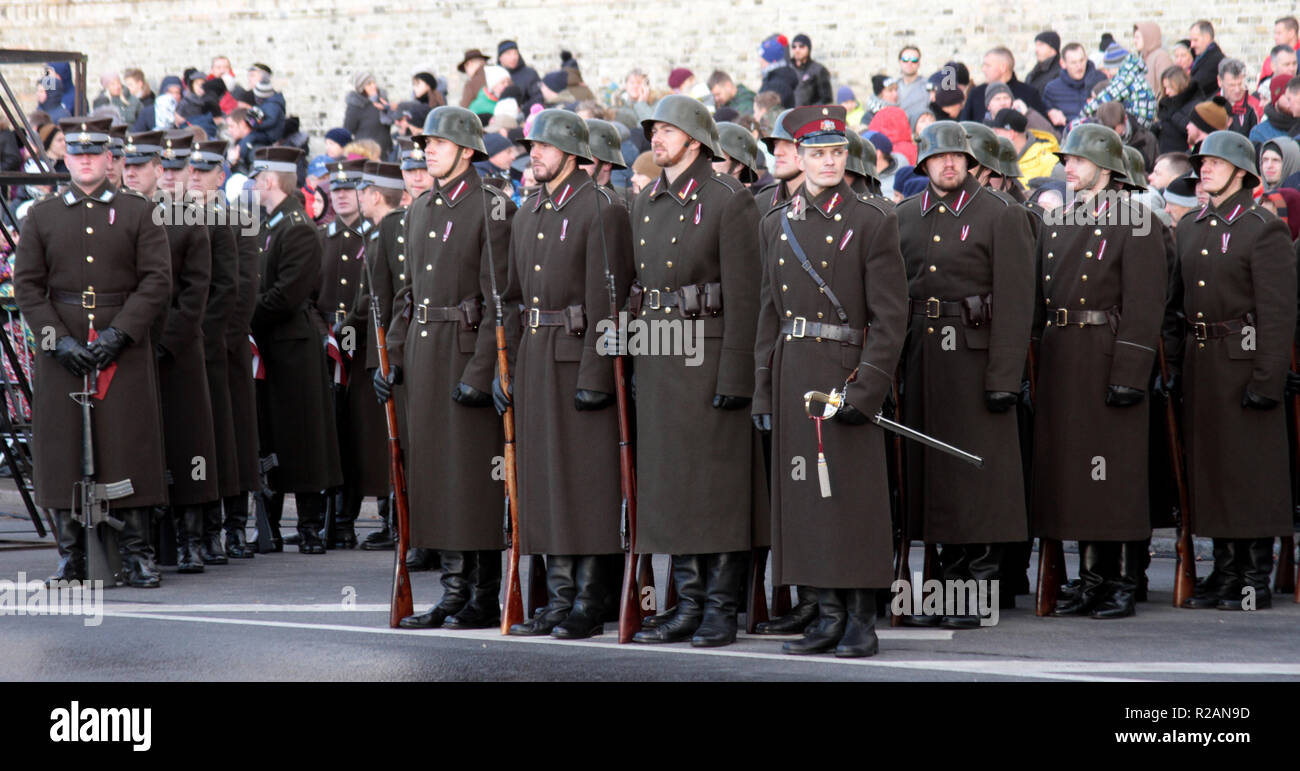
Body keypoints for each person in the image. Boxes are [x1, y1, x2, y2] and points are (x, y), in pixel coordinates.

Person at [751, 105, 908, 655]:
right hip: (795, 373)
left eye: (837, 152)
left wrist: (868, 389)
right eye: (816, 154)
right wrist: (763, 386)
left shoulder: (873, 217)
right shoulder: (777, 221)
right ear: (798, 156)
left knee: (852, 499)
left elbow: (891, 318)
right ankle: (825, 613)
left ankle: (860, 619)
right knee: (805, 500)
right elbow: (769, 314)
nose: (827, 162)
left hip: (847, 373)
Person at [626, 96, 763, 647]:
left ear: (697, 140)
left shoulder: (730, 200)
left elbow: (747, 298)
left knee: (717, 491)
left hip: (709, 359)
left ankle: (720, 608)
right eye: (654, 130)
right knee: (671, 489)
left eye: (668, 130)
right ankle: (686, 601)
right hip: (660, 359)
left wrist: (736, 376)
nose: (657, 138)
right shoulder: (647, 202)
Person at [14, 117, 172, 586]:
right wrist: (57, 341)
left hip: (121, 345)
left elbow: (157, 280)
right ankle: (71, 554)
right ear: (65, 158)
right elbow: (27, 287)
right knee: (61, 448)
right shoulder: (41, 216)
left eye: (93, 153)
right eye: (76, 153)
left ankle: (137, 553)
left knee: (129, 444)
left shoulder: (138, 211)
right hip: (61, 342)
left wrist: (119, 335)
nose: (84, 160)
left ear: (109, 159)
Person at [495, 109, 630, 638]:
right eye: (533, 146)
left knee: (586, 484)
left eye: (546, 147)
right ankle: (558, 598)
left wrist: (597, 375)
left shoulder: (601, 209)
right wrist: (505, 369)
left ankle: (587, 603)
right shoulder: (529, 211)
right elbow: (509, 298)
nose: (536, 154)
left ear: (573, 155)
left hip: (578, 357)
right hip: (535, 357)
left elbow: (610, 302)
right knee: (545, 482)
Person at [895, 120, 1033, 626]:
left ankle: (980, 588)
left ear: (972, 163)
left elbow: (1017, 304)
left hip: (977, 360)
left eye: (957, 157)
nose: (949, 164)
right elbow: (893, 297)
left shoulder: (1001, 214)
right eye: (938, 157)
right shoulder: (906, 216)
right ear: (924, 164)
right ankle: (947, 584)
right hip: (923, 358)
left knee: (979, 476)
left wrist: (1003, 377)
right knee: (936, 474)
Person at [377, 108, 512, 626]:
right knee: (434, 475)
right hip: (424, 353)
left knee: (471, 481)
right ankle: (453, 590)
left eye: (438, 142)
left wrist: (481, 373)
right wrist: (391, 356)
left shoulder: (492, 207)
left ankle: (481, 594)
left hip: (464, 353)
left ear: (467, 149)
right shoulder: (422, 208)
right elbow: (407, 297)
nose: (427, 150)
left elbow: (501, 301)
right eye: (425, 142)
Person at [1031, 124, 1166, 619]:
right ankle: (1090, 578)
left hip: (1108, 354)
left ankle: (1123, 580)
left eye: (1080, 161)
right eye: (1067, 160)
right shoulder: (1059, 220)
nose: (1070, 167)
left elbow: (1145, 305)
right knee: (1078, 476)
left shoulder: (1137, 220)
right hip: (1066, 356)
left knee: (1118, 474)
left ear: (1106, 169)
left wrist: (1131, 370)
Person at [1167, 131, 1296, 611]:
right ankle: (1224, 573)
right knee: (1214, 472)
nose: (1206, 169)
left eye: (1216, 163)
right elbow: (1176, 306)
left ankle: (1251, 578)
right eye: (1203, 163)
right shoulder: (1192, 226)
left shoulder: (1263, 228)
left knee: (1250, 473)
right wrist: (1176, 366)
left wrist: (1267, 378)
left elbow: (1276, 312)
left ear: (1242, 172)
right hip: (1205, 364)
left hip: (1244, 363)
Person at [121, 129, 222, 571]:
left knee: (189, 445)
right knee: (141, 446)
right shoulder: (117, 216)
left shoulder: (184, 218)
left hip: (176, 349)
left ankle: (191, 538)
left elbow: (196, 291)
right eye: (125, 166)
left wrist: (167, 343)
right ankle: (147, 541)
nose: (131, 174)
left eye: (139, 167)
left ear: (159, 171)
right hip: (130, 347)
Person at [248, 146, 344, 554]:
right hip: (272, 343)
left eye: (257, 178)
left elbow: (287, 294)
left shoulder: (296, 227)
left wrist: (244, 313)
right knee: (271, 433)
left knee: (302, 437)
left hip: (293, 345)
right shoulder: (269, 224)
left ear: (269, 180)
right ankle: (268, 525)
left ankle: (308, 527)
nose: (253, 185)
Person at [961, 47, 1047, 122]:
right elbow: (963, 128)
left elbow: (1042, 128)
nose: (983, 69)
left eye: (988, 65)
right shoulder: (976, 93)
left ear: (1003, 67)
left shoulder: (1029, 94)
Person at [1043, 42, 1108, 130]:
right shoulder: (1052, 89)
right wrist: (1049, 112)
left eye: (1082, 60)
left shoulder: (1100, 81)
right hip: (1067, 139)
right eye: (1073, 63)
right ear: (1063, 64)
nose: (1079, 66)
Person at [988, 108, 1058, 188]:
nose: (993, 137)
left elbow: (1063, 194)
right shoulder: (996, 157)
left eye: (996, 132)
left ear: (1011, 134)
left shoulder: (1048, 161)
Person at [345, 72, 395, 159]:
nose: (373, 86)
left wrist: (387, 108)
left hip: (385, 150)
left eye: (373, 82)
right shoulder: (356, 105)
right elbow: (348, 129)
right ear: (361, 88)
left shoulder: (382, 100)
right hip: (365, 151)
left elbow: (392, 120)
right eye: (369, 84)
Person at [497, 40, 541, 112]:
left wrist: (522, 110)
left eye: (515, 53)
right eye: (508, 54)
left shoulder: (530, 74)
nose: (513, 57)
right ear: (500, 58)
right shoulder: (495, 75)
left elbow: (537, 98)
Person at [789, 34, 832, 106]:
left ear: (808, 48)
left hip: (808, 114)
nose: (797, 50)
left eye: (801, 46)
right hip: (788, 114)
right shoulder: (787, 68)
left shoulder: (818, 70)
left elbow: (826, 98)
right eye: (794, 47)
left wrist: (810, 111)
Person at [1187, 20, 1226, 97]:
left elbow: (1194, 88)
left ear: (1207, 37)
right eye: (1191, 41)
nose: (1192, 45)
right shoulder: (1201, 57)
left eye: (1195, 40)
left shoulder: (1215, 60)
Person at [758, 34, 798, 108]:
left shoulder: (776, 84)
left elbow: (766, 110)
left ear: (769, 60)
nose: (760, 61)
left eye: (762, 58)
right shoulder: (775, 77)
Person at [1026, 31, 1062, 96]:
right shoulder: (1034, 72)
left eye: (1041, 45)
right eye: (1036, 45)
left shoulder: (1060, 72)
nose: (1036, 50)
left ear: (1053, 48)